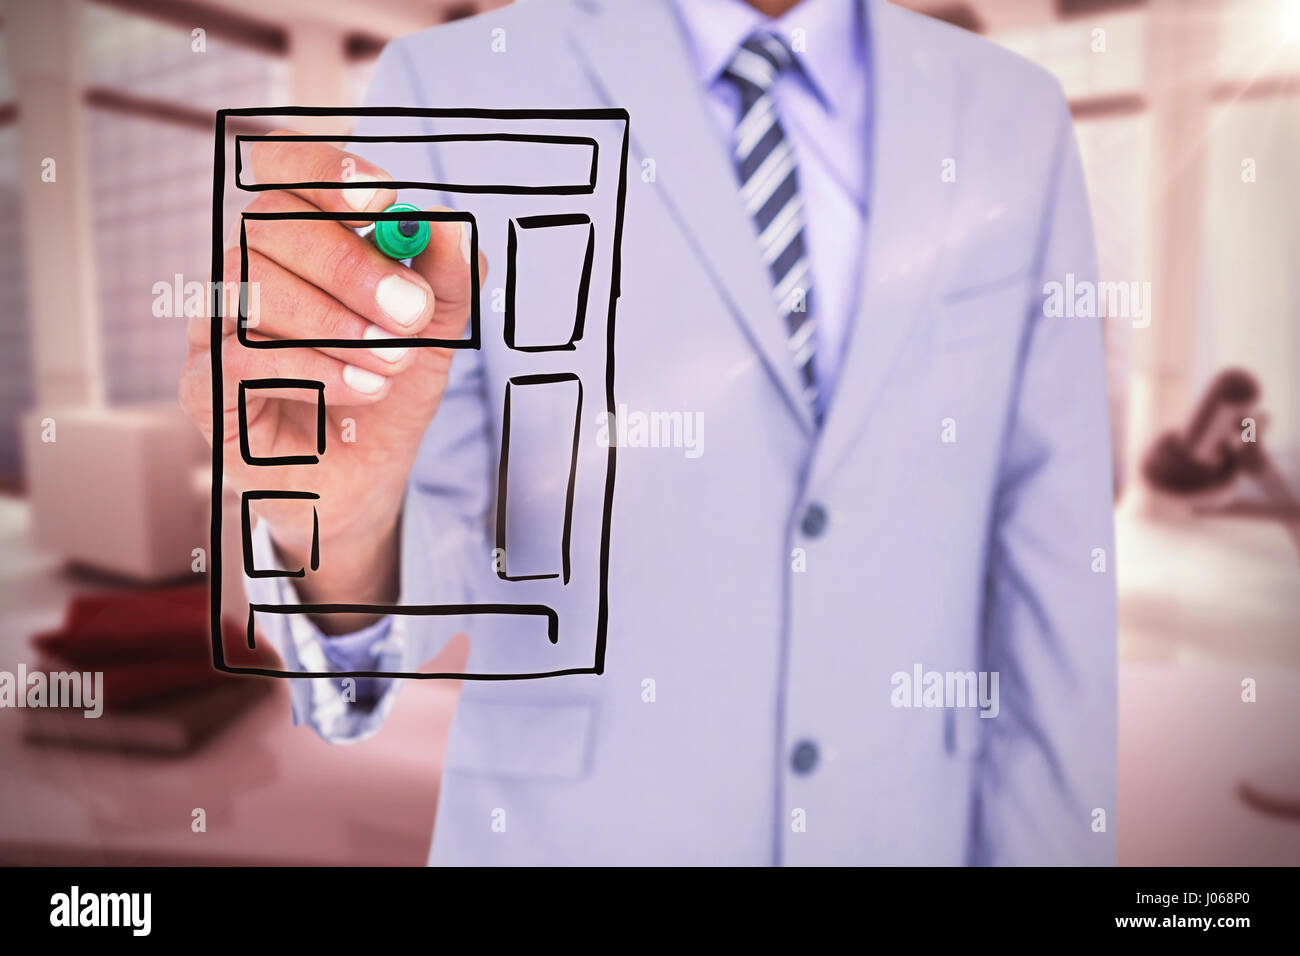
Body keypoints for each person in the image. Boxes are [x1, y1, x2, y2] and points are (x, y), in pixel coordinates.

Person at [180, 0, 1117, 865]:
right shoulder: (456, 84)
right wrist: (340, 535)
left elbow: (1056, 565)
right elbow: (454, 528)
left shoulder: (1015, 118)